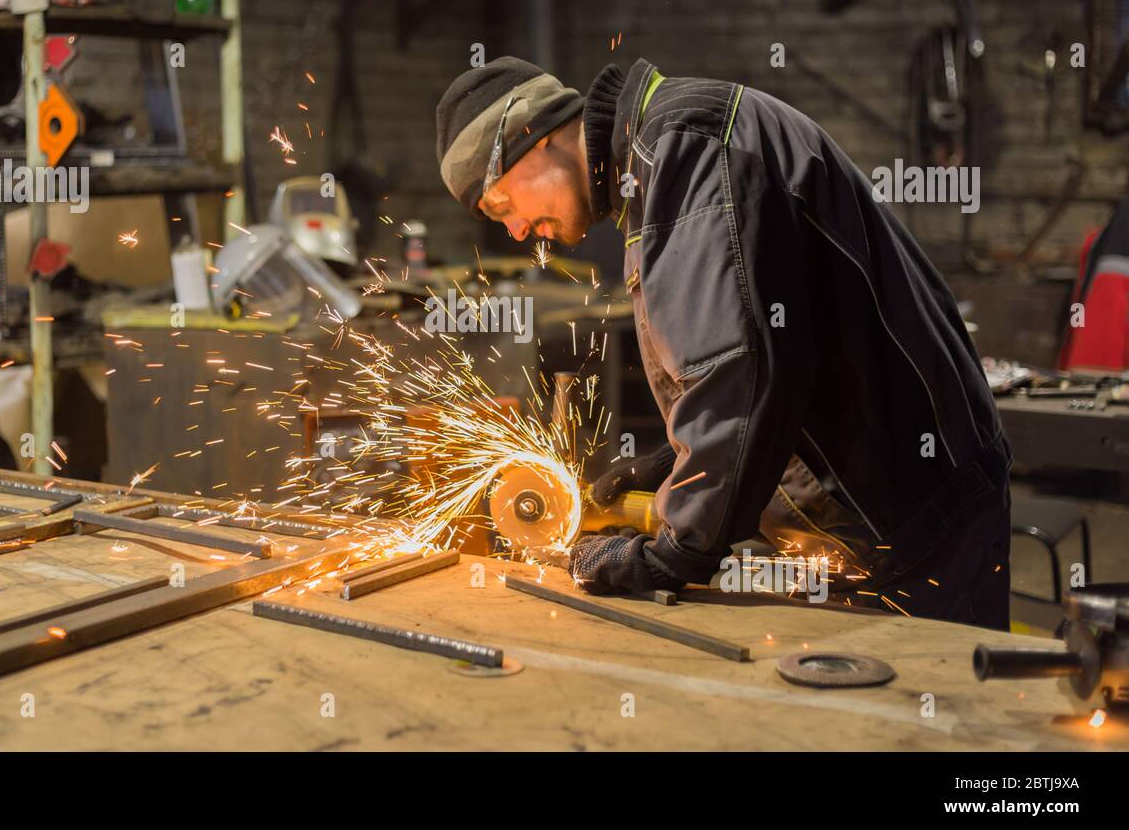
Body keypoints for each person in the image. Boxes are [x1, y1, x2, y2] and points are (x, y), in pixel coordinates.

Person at [434, 56, 1012, 629]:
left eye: (503, 206)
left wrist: (674, 553)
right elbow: (771, 348)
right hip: (886, 503)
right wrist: (670, 466)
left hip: (915, 512)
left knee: (934, 709)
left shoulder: (688, 151)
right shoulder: (658, 162)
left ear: (534, 139)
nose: (513, 231)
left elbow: (737, 374)